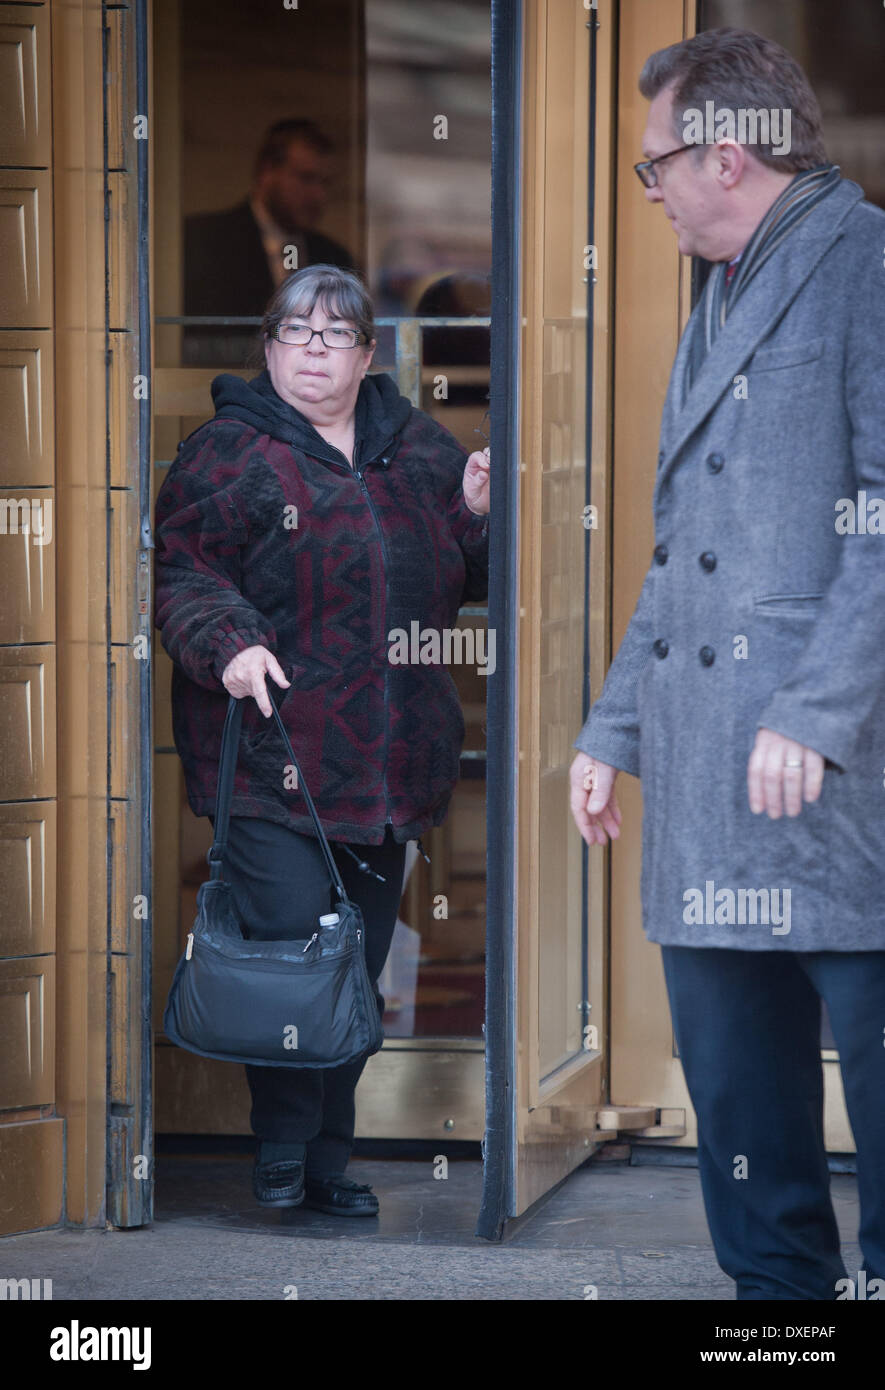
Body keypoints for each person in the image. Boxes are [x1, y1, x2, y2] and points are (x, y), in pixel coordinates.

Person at [570, 27, 885, 1300]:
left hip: (842, 784)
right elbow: (682, 545)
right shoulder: (720, 288)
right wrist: (610, 729)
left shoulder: (864, 261)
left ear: (729, 154)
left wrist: (813, 709)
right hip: (710, 780)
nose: (647, 196)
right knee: (749, 1142)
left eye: (654, 169)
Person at [155, 264, 490, 1215]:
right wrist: (230, 645)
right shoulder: (228, 452)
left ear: (366, 354)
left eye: (334, 334)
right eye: (294, 332)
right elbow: (180, 571)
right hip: (273, 760)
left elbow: (465, 577)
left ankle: (326, 1162)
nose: (312, 350)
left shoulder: (418, 450)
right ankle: (284, 1151)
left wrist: (471, 510)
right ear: (267, 347)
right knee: (299, 962)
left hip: (389, 768)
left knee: (354, 970)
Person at [183, 120, 359, 364]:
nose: (319, 195)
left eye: (325, 183)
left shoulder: (335, 257)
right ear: (267, 172)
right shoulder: (200, 241)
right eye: (306, 178)